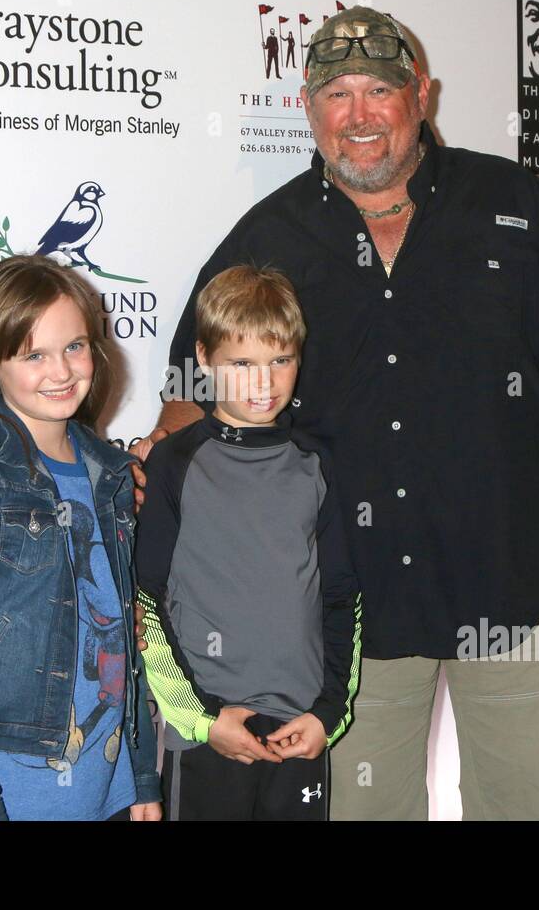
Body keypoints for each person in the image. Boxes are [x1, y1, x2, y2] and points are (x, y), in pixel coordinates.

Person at [133, 6, 539, 820]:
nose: (360, 116)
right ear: (307, 106)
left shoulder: (515, 207)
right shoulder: (268, 238)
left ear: (422, 95)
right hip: (345, 614)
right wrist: (151, 467)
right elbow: (195, 394)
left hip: (510, 585)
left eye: (381, 90)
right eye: (338, 94)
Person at [0, 254, 162, 821]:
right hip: (14, 786)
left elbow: (125, 632)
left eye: (74, 347)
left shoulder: (110, 472)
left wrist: (142, 773)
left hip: (108, 776)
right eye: (34, 354)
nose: (62, 371)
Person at [135, 265, 360, 821]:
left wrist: (328, 714)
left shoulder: (318, 463)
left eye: (279, 360)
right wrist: (202, 719)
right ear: (205, 360)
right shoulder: (174, 462)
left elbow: (341, 596)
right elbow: (145, 600)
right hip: (210, 731)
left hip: (301, 731)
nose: (264, 383)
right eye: (242, 364)